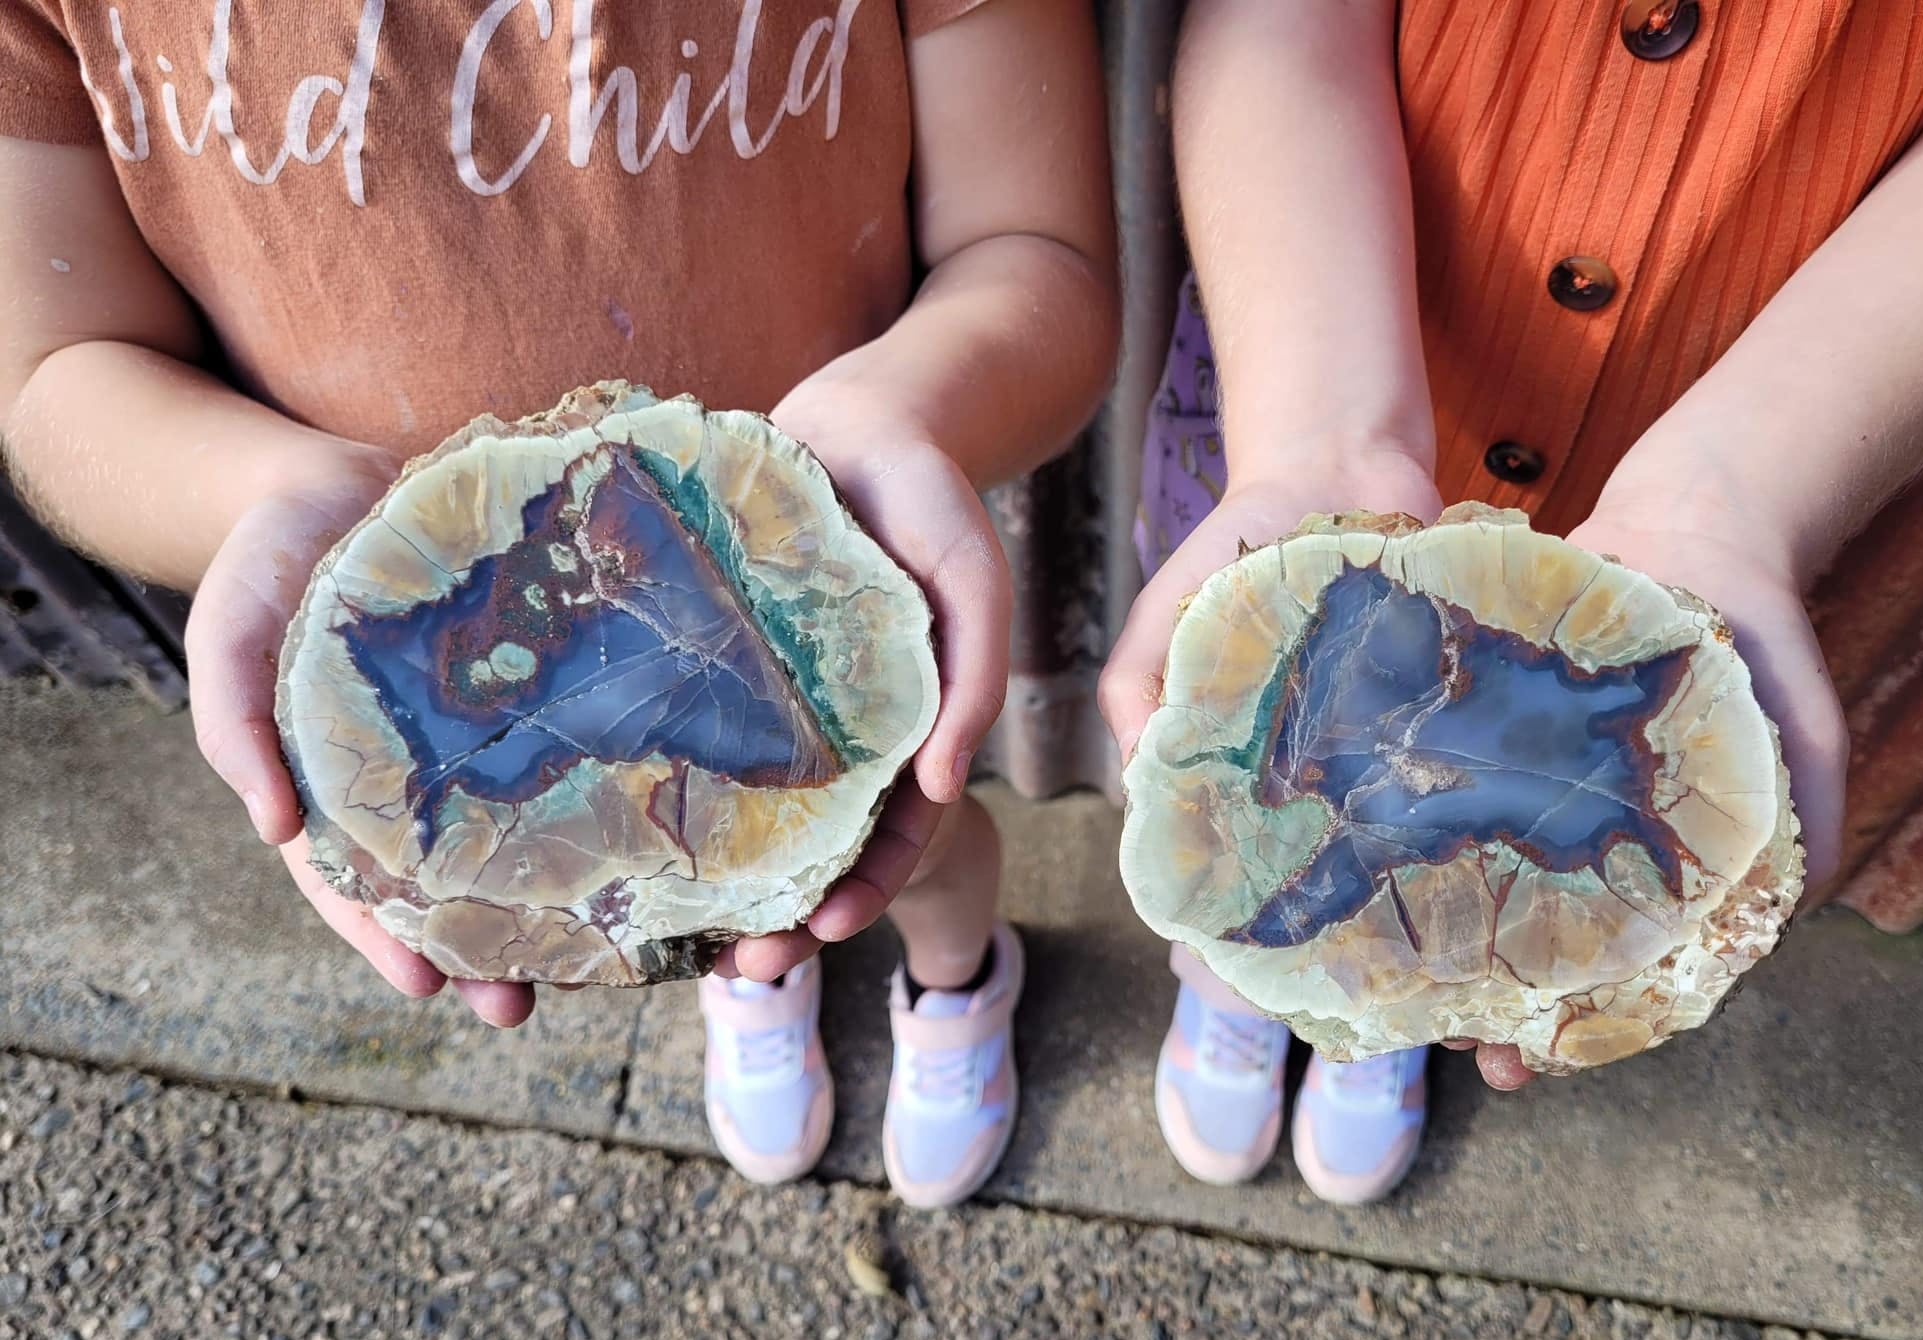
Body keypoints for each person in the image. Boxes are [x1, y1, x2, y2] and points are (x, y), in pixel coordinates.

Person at [0, 0, 1118, 1209]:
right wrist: (268, 490)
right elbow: (56, 365)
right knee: (710, 877)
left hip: (813, 608)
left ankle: (954, 977)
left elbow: (1029, 240)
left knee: (923, 840)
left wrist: (910, 407)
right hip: (452, 676)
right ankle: (747, 964)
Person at [1104, 0, 1923, 1200]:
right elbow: (1280, 23)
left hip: (1766, 408)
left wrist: (1738, 498)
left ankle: (1374, 1017)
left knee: (1397, 833)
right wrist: (1313, 436)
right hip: (1323, 337)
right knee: (1264, 797)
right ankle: (1257, 972)